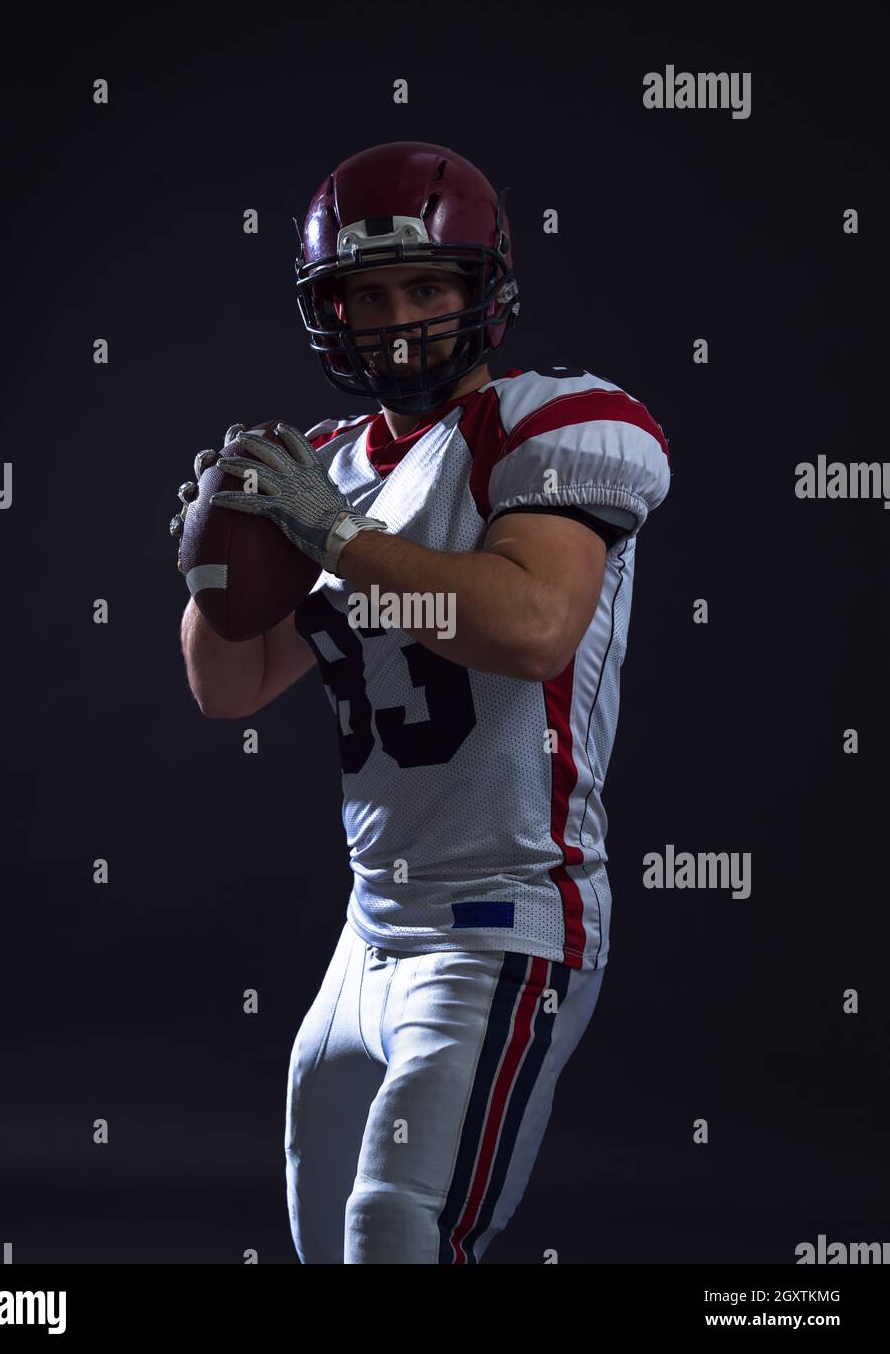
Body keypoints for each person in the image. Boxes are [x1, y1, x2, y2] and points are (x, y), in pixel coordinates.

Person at [174, 141, 672, 1263]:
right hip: (368, 932)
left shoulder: (551, 424)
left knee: (397, 1229)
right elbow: (231, 684)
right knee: (322, 1234)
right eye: (369, 292)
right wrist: (213, 575)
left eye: (427, 287)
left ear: (480, 292)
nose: (399, 318)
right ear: (328, 307)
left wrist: (335, 539)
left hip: (503, 913)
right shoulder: (331, 464)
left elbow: (532, 626)